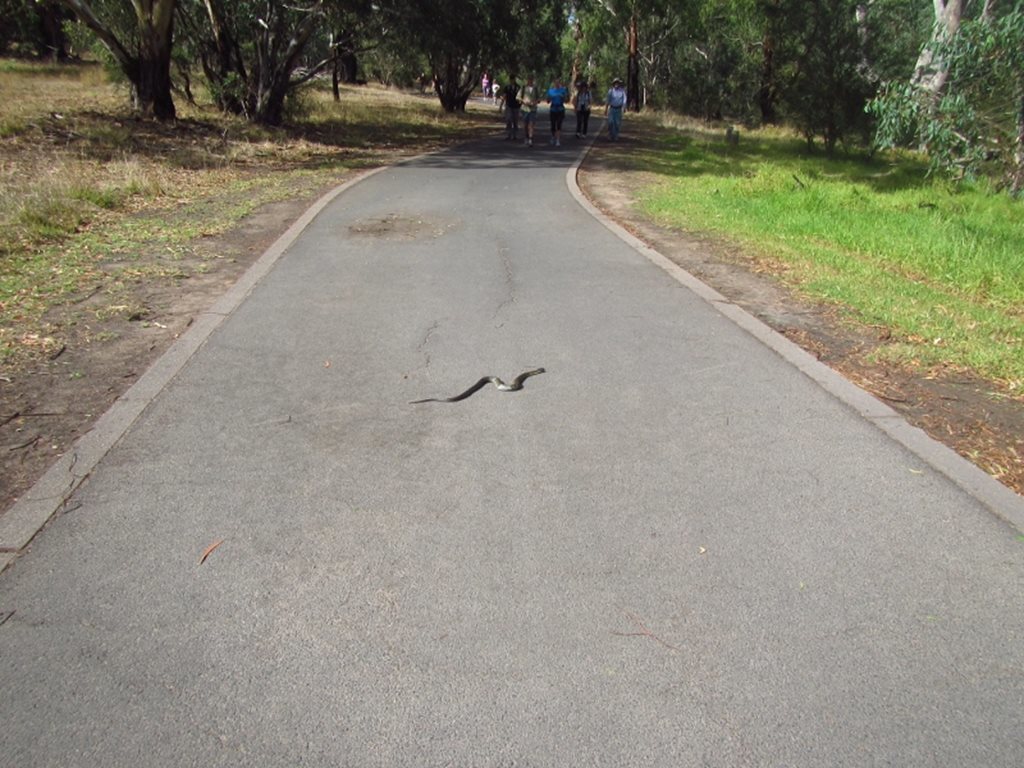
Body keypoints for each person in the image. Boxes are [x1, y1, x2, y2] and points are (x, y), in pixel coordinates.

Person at [547, 77, 568, 147]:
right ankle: (553, 136)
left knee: (559, 124)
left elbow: (566, 100)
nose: (557, 84)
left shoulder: (563, 90)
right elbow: (548, 101)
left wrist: (563, 97)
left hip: (560, 109)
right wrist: (549, 98)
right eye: (556, 83)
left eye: (558, 82)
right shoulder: (551, 91)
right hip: (553, 109)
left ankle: (558, 140)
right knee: (553, 125)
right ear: (554, 83)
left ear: (560, 83)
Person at [520, 74, 540, 147]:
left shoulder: (535, 88)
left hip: (533, 109)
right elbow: (518, 97)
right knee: (525, 124)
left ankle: (530, 139)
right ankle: (526, 136)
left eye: (531, 79)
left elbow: (538, 99)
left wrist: (535, 102)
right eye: (529, 79)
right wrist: (524, 101)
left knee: (531, 124)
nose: (530, 81)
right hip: (525, 109)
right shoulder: (523, 88)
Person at [500, 76, 521, 141]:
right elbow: (504, 96)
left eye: (513, 79)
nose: (512, 81)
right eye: (511, 80)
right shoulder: (507, 87)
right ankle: (509, 134)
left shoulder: (518, 87)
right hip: (509, 105)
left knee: (515, 120)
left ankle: (515, 135)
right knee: (508, 119)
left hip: (516, 106)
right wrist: (501, 106)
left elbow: (521, 97)